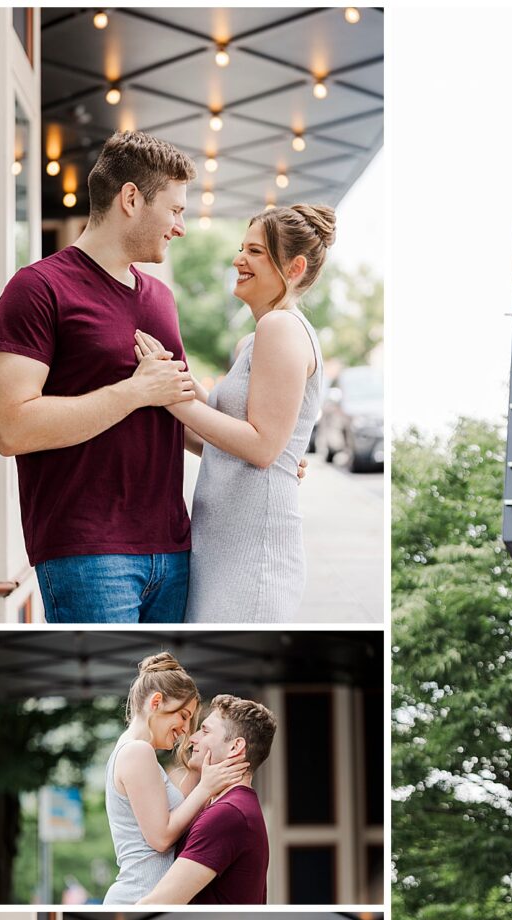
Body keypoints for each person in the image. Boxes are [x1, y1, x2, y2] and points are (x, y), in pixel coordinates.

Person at [0, 131, 198, 622]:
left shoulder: (161, 299)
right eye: (175, 210)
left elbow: (178, 408)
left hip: (174, 549)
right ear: (130, 198)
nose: (180, 226)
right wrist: (133, 391)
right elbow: (11, 427)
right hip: (87, 553)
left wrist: (266, 456)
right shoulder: (37, 289)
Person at [134, 204, 334, 622]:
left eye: (256, 252)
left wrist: (176, 398)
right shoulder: (253, 341)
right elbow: (220, 435)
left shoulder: (281, 328)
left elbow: (262, 447)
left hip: (252, 551)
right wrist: (164, 385)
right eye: (242, 248)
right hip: (222, 545)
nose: (238, 259)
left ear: (294, 267)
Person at [104, 653, 248, 905]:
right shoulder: (138, 752)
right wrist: (205, 787)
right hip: (139, 896)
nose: (185, 728)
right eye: (183, 716)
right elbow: (161, 838)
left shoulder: (129, 749)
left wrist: (196, 772)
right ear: (156, 702)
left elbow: (172, 813)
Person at [139, 695, 276, 905]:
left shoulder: (228, 814)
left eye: (205, 731)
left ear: (235, 747)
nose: (192, 737)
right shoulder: (236, 808)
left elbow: (156, 904)